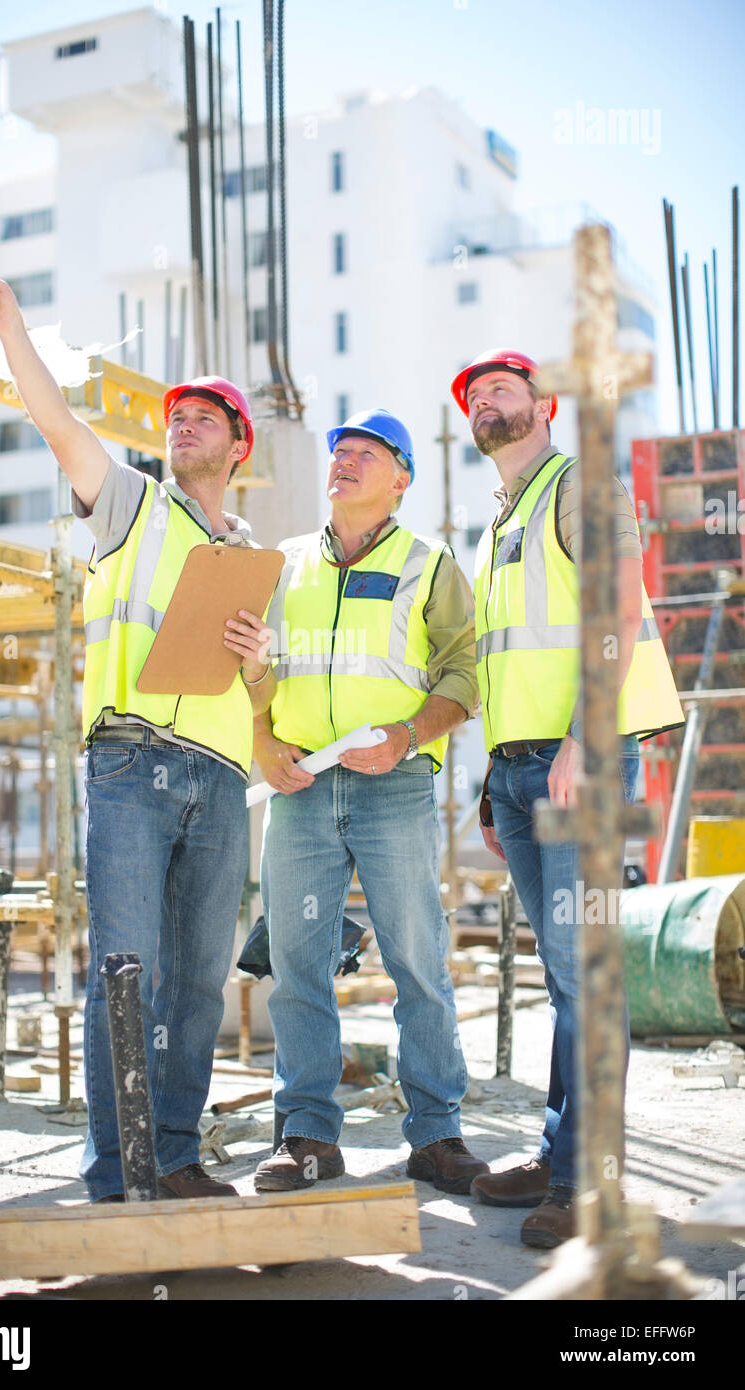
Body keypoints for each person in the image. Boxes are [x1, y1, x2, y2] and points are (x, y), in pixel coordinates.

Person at [0, 266, 275, 1202]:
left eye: (204, 417)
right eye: (176, 416)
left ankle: (174, 1157)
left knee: (194, 988)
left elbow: (263, 693)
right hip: (131, 766)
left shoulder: (253, 549)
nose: (182, 425)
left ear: (238, 446)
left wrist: (260, 661)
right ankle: (118, 1171)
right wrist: (12, 325)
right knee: (125, 974)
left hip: (222, 781)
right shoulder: (131, 502)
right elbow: (56, 420)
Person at [451, 349, 684, 1247]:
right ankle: (562, 1153)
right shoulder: (497, 525)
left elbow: (618, 602)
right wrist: (491, 778)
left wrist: (587, 734)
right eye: (475, 397)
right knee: (563, 970)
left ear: (543, 408)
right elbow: (510, 661)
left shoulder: (578, 480)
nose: (484, 404)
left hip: (578, 755)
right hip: (520, 769)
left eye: (501, 390)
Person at [250, 408, 489, 1195]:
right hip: (301, 789)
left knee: (417, 960)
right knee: (296, 968)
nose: (344, 461)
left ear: (401, 478)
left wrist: (409, 733)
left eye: (365, 453)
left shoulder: (430, 564)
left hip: (395, 785)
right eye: (338, 451)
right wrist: (261, 737)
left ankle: (435, 1136)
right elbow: (253, 667)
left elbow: (465, 676)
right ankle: (307, 1135)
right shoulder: (281, 563)